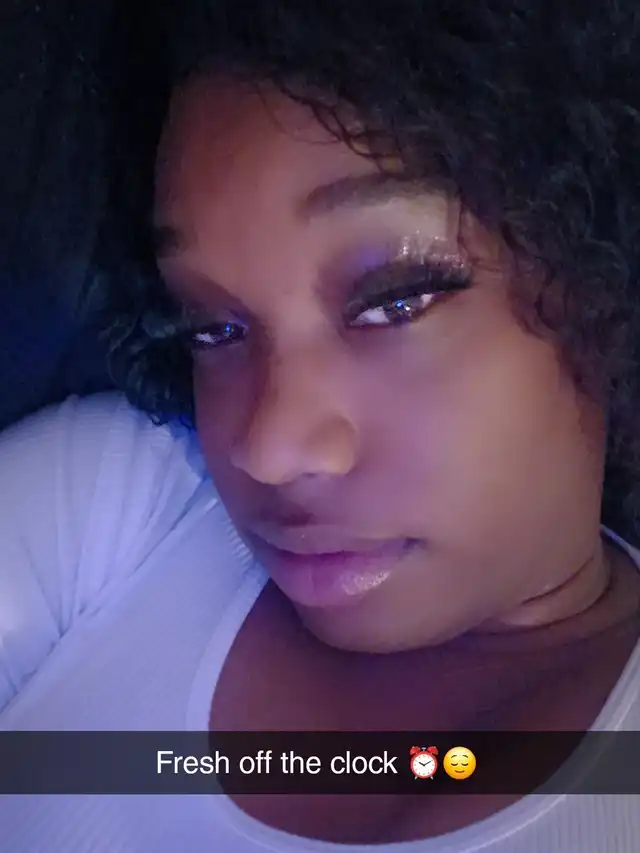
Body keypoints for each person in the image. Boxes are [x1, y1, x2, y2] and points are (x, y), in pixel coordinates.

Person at [1, 1, 640, 850]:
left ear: (603, 279)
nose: (266, 448)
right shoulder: (120, 506)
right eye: (211, 326)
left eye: (396, 299)